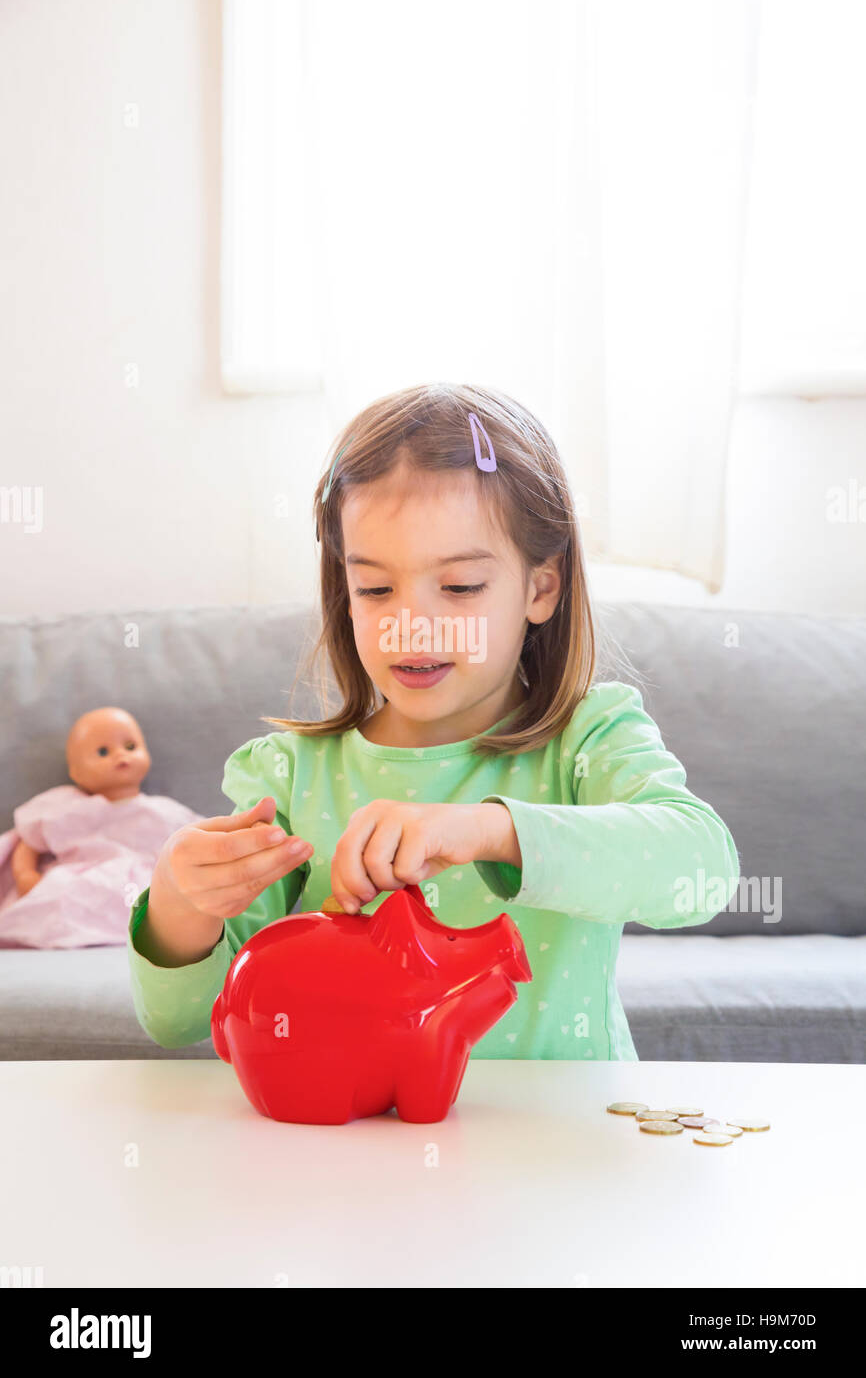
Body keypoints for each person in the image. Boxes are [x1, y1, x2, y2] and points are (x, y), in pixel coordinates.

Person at [128, 382, 740, 1059]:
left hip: (562, 1147)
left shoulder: (587, 739)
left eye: (459, 587)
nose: (410, 625)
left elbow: (702, 871)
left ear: (542, 587)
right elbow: (186, 1022)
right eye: (376, 588)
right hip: (359, 1150)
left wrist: (487, 830)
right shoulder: (289, 777)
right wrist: (179, 906)